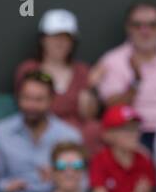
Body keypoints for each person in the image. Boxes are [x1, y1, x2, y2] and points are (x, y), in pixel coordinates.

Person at [90, 1, 156, 141]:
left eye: (153, 25)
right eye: (137, 25)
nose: (145, 31)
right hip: (134, 130)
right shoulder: (113, 60)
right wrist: (136, 81)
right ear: (128, 28)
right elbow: (112, 106)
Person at [0, 70, 81, 192]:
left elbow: (82, 183)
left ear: (51, 100)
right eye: (26, 98)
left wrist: (59, 177)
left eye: (38, 99)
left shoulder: (69, 136)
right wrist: (7, 186)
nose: (31, 105)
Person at [13, 8, 99, 152]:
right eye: (54, 37)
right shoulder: (29, 68)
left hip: (77, 135)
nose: (60, 43)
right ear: (42, 39)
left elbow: (87, 115)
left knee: (93, 130)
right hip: (40, 127)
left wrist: (91, 94)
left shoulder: (82, 70)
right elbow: (29, 105)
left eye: (66, 38)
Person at [90, 103, 155, 192]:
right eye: (126, 129)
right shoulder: (100, 160)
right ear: (108, 134)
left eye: (135, 128)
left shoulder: (144, 160)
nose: (134, 134)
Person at [26, 140, 103, 192]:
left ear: (84, 170)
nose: (69, 172)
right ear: (53, 170)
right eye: (61, 166)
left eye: (77, 165)